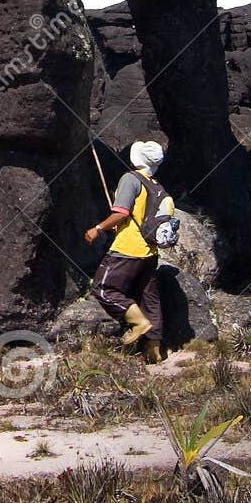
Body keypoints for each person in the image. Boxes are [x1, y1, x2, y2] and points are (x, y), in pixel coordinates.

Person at [84, 140, 174, 364]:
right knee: (149, 298)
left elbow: (122, 212)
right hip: (150, 253)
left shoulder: (131, 179)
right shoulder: (157, 187)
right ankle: (154, 352)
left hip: (128, 248)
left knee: (103, 288)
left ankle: (138, 323)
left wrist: (98, 228)